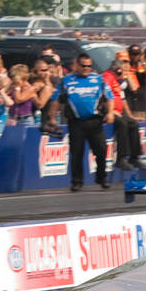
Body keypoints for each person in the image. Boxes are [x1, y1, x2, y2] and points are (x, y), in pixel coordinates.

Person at [53, 53, 113, 191]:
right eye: (83, 66)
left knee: (102, 150)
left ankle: (101, 177)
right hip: (76, 122)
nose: (86, 68)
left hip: (95, 121)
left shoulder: (99, 79)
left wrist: (110, 113)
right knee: (76, 153)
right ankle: (77, 181)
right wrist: (52, 118)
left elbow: (109, 97)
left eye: (89, 66)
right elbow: (55, 99)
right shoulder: (66, 81)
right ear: (77, 65)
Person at [104, 51, 141, 170]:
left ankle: (134, 157)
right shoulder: (107, 77)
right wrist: (111, 111)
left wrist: (130, 115)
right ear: (116, 69)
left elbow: (122, 98)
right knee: (122, 124)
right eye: (120, 69)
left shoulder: (116, 80)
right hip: (108, 111)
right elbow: (104, 96)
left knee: (133, 124)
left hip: (118, 112)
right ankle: (120, 158)